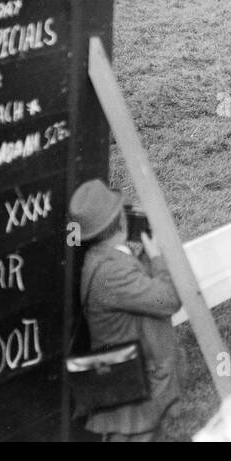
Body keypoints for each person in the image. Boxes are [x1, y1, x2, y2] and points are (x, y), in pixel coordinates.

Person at [69, 178, 182, 442]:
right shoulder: (113, 272)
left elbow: (136, 292)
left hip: (128, 383)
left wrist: (140, 255)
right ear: (121, 219)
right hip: (133, 393)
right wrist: (156, 258)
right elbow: (168, 299)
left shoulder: (101, 259)